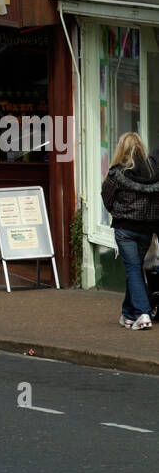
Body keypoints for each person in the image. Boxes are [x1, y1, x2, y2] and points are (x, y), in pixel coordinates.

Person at [101, 132, 159, 329]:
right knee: (133, 268)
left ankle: (143, 313)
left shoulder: (116, 173)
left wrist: (118, 211)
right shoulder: (152, 173)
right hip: (146, 229)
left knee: (133, 268)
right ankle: (127, 314)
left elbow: (107, 198)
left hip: (125, 228)